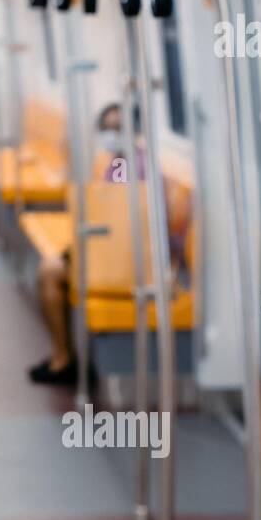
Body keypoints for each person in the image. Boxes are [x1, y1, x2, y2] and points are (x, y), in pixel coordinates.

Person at [28, 103, 191, 387]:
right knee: (53, 266)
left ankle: (63, 359)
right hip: (118, 253)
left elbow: (127, 227)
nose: (111, 134)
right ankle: (65, 355)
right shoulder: (120, 163)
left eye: (118, 128)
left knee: (49, 273)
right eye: (107, 128)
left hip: (136, 263)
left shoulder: (136, 168)